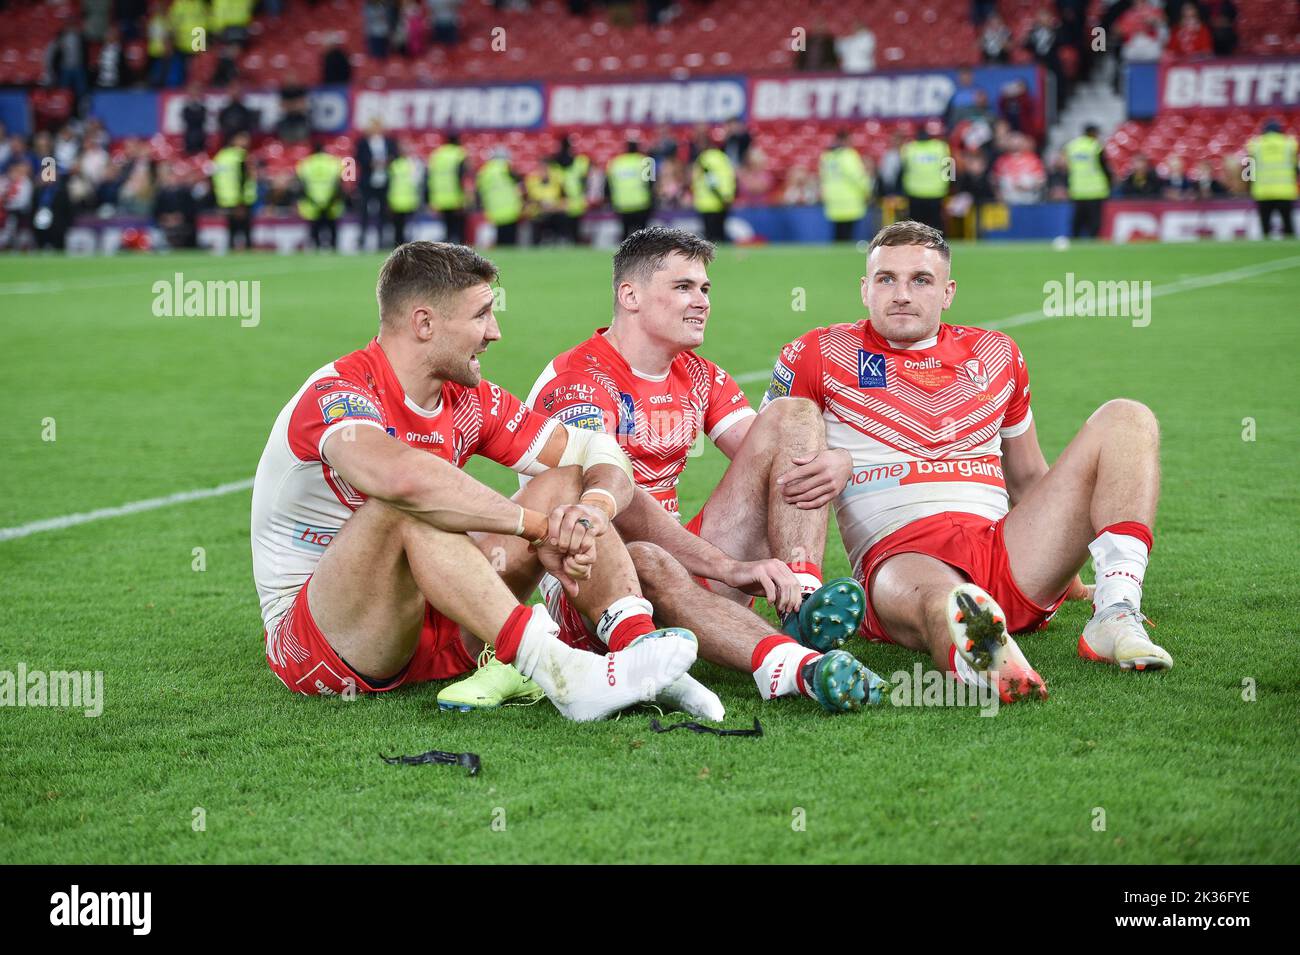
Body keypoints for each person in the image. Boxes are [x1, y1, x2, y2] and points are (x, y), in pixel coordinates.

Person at [440, 227, 884, 716]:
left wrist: (840, 458)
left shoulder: (698, 372)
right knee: (648, 554)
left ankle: (802, 598)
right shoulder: (579, 380)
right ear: (629, 295)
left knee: (794, 415)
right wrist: (728, 568)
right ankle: (793, 668)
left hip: (684, 558)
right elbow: (610, 503)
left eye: (705, 289)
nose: (701, 302)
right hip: (598, 582)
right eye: (683, 288)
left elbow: (774, 458)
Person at [250, 241, 699, 721]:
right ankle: (563, 672)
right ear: (425, 324)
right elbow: (402, 481)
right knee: (402, 505)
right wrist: (539, 529)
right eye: (482, 315)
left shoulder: (469, 400)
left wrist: (593, 508)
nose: (495, 332)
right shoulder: (340, 393)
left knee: (564, 480)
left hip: (441, 613)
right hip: (326, 641)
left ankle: (639, 653)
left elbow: (596, 450)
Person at [761, 220, 1172, 703]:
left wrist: (1070, 573)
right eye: (886, 279)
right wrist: (838, 461)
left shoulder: (998, 353)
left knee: (1127, 417)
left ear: (948, 292)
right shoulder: (819, 352)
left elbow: (1027, 476)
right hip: (899, 553)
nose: (902, 294)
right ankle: (983, 654)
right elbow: (769, 453)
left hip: (1006, 549)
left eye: (921, 280)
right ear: (864, 289)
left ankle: (1116, 612)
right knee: (945, 601)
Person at [1246, 119, 1297, 238]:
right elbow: (1296, 168)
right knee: (1288, 224)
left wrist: (1248, 187)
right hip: (1285, 191)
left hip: (1263, 191)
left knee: (1265, 226)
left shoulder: (1255, 144)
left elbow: (1249, 170)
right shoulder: (1289, 144)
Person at [819, 130, 871, 242]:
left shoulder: (827, 157)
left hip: (833, 202)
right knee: (848, 237)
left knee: (838, 236)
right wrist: (868, 190)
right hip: (850, 202)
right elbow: (857, 177)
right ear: (846, 140)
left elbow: (823, 178)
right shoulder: (848, 155)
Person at [901, 122, 950, 233]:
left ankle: (916, 247)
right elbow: (949, 169)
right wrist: (950, 187)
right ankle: (938, 247)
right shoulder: (941, 147)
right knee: (935, 225)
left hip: (914, 192)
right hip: (936, 191)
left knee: (916, 227)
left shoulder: (909, 148)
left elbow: (903, 170)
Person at [356, 118, 397, 250]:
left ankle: (382, 240)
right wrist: (370, 163)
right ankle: (363, 239)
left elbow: (394, 155)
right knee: (364, 212)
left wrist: (387, 162)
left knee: (383, 213)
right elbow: (358, 157)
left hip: (384, 181)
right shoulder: (362, 142)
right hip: (367, 182)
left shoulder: (389, 142)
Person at [211, 130, 255, 250]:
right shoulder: (240, 155)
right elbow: (242, 178)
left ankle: (231, 250)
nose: (246, 142)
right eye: (243, 138)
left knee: (231, 229)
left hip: (225, 198)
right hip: (241, 198)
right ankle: (247, 251)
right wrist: (240, 199)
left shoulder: (221, 156)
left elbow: (215, 178)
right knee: (245, 230)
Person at [297, 139, 345, 250]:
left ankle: (316, 248)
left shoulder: (305, 163)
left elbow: (302, 185)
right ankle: (333, 248)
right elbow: (339, 185)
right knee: (332, 228)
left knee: (315, 229)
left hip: (312, 203)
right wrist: (330, 200)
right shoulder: (334, 163)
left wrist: (313, 200)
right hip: (331, 203)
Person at [1065, 123, 1111, 238]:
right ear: (1093, 133)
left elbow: (1067, 166)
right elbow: (1104, 166)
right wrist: (1109, 181)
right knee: (1094, 220)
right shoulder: (1095, 146)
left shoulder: (1072, 146)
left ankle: (1075, 240)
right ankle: (1093, 240)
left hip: (1077, 189)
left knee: (1078, 219)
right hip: (1095, 189)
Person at [691, 129, 735, 243]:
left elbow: (710, 179)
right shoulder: (724, 157)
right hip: (723, 200)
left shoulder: (704, 158)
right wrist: (726, 198)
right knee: (720, 234)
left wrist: (719, 196)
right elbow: (729, 178)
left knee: (711, 237)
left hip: (708, 202)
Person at [605, 139, 653, 240]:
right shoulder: (645, 161)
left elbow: (608, 184)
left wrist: (610, 200)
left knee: (625, 235)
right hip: (641, 203)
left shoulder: (615, 163)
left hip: (622, 204)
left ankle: (624, 255)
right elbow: (651, 183)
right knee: (642, 237)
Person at [476, 147, 522, 247]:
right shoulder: (506, 168)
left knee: (500, 242)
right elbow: (519, 183)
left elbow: (479, 191)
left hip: (494, 210)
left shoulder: (484, 172)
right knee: (510, 242)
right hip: (510, 209)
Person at [427, 132, 469, 245]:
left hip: (440, 198)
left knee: (447, 228)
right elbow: (462, 177)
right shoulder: (459, 154)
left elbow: (430, 178)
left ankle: (448, 253)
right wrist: (465, 196)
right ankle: (461, 253)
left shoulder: (436, 155)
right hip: (456, 197)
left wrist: (431, 199)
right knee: (459, 229)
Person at [551, 137, 589, 244]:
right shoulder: (580, 162)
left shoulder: (554, 163)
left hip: (561, 202)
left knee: (562, 232)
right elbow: (586, 182)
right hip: (573, 201)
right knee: (574, 232)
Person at [385, 144, 421, 246]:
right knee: (405, 228)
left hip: (399, 200)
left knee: (399, 228)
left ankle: (399, 248)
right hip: (406, 200)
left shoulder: (394, 164)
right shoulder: (413, 164)